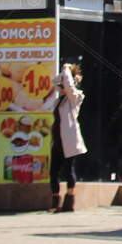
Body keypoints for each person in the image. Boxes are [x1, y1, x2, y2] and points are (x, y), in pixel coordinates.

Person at [47, 63, 87, 213]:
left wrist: (66, 69)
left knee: (68, 170)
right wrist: (65, 73)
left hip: (69, 140)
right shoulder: (59, 100)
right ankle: (55, 200)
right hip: (57, 139)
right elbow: (54, 82)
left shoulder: (76, 97)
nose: (62, 86)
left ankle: (69, 202)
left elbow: (70, 87)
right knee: (53, 171)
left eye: (64, 83)